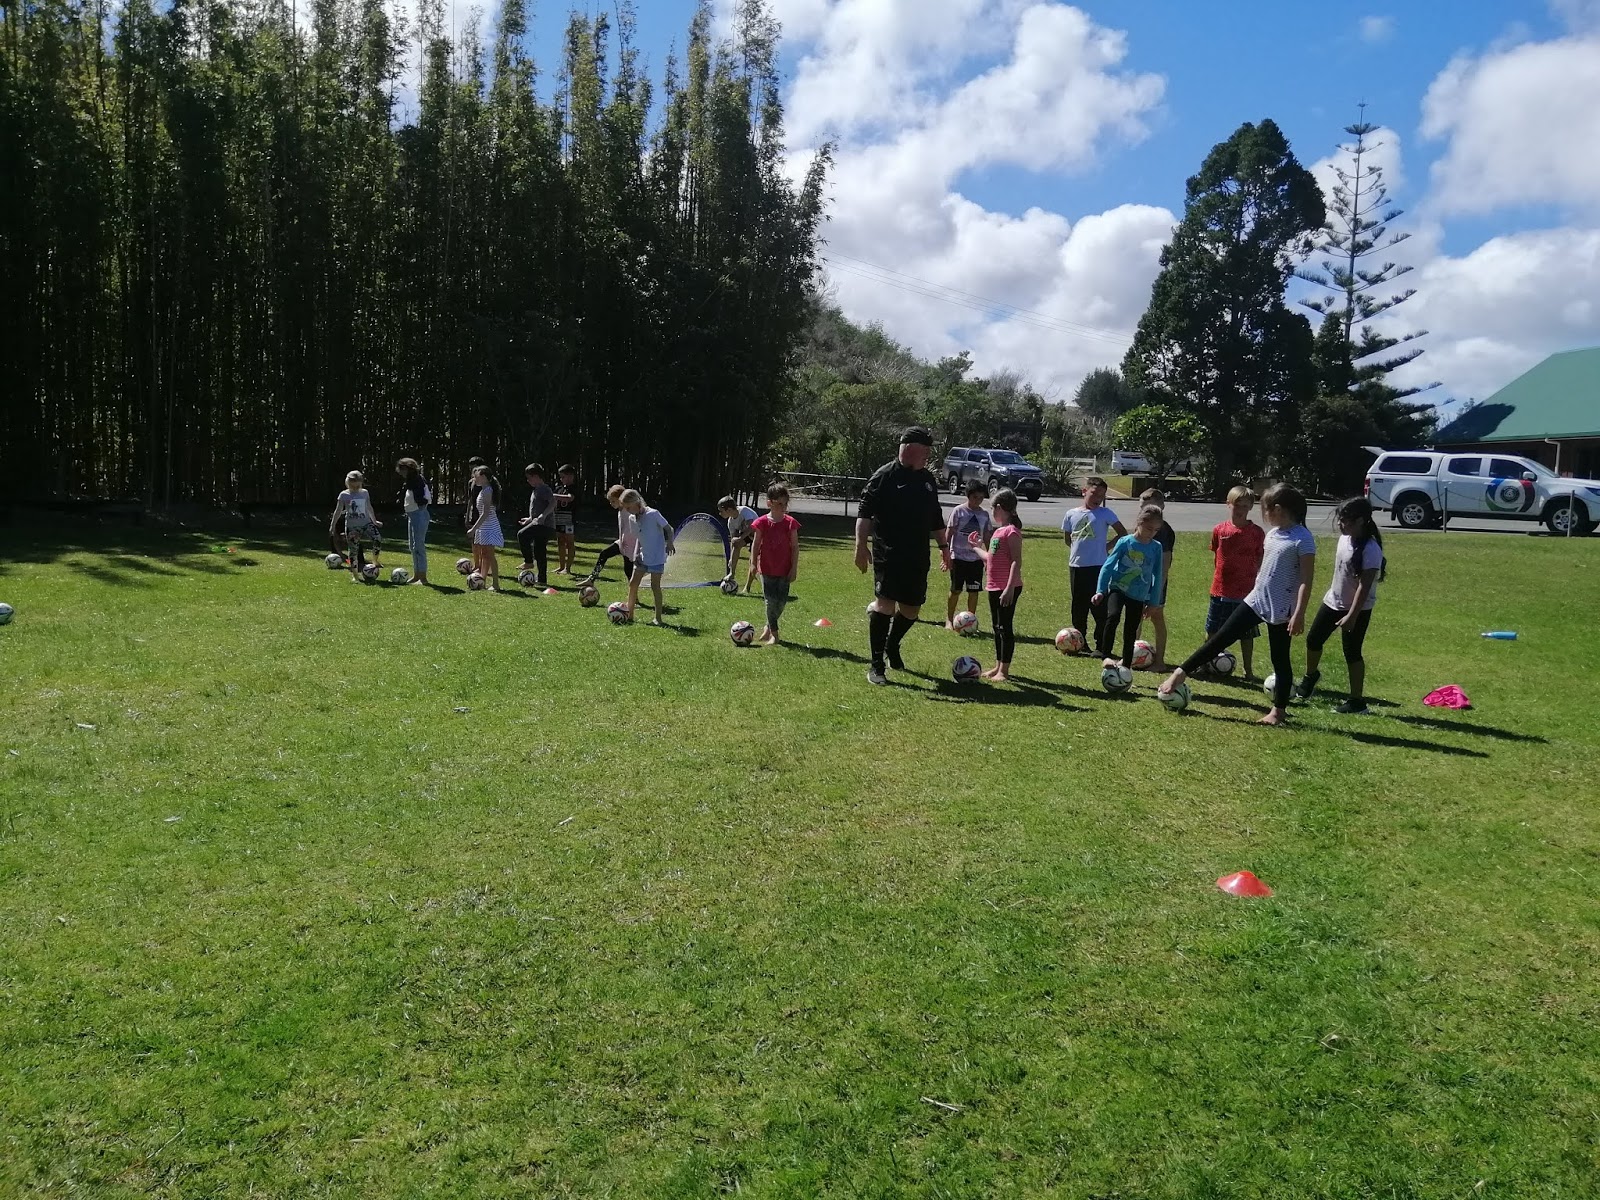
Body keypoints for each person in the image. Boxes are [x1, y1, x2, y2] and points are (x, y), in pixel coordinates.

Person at [1159, 483, 1316, 726]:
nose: (1263, 515)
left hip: (1282, 607)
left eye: (1265, 509)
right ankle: (1179, 674)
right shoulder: (1273, 534)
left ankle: (1278, 713)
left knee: (1280, 659)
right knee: (1220, 638)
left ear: (1277, 509)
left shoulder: (1302, 539)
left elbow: (1306, 579)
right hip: (1256, 599)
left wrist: (1299, 613)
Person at [855, 426, 951, 686]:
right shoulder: (884, 477)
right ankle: (876, 666)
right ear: (909, 449)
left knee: (911, 610)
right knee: (885, 605)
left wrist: (945, 549)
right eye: (926, 450)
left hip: (917, 555)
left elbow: (936, 519)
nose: (928, 456)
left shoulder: (927, 480)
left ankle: (892, 644)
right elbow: (864, 514)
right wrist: (860, 546)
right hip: (889, 554)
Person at [1295, 496, 1386, 714]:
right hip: (1332, 601)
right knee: (1313, 640)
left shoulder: (1371, 550)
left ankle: (1357, 702)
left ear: (1362, 521)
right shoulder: (1345, 539)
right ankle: (1311, 676)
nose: (1341, 525)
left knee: (1352, 652)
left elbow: (1364, 588)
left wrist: (1352, 615)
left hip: (1357, 608)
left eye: (1346, 521)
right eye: (1340, 520)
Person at [1092, 505, 1166, 671]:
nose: (1152, 533)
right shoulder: (1125, 542)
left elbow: (1157, 575)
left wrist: (1153, 602)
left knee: (1131, 629)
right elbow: (1108, 567)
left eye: (1156, 530)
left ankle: (1126, 664)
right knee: (1113, 617)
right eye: (1149, 528)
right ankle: (1106, 656)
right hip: (1118, 588)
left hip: (1139, 595)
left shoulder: (1156, 547)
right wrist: (1100, 590)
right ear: (1139, 523)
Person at [1206, 486, 1265, 678]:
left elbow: (1260, 559)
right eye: (1237, 505)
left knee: (1246, 634)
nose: (1241, 510)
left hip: (1246, 592)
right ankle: (1207, 663)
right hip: (1221, 589)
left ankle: (1248, 670)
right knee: (1213, 630)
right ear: (1228, 504)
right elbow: (1217, 554)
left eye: (1246, 506)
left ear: (1250, 508)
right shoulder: (1219, 530)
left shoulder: (1256, 532)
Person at [1060, 477, 1126, 650]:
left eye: (1101, 496)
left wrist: (1107, 547)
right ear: (1084, 491)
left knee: (1099, 607)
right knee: (1078, 606)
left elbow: (1122, 533)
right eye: (1094, 494)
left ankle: (1101, 644)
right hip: (1077, 567)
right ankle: (1079, 642)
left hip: (1098, 567)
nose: (1097, 498)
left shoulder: (1105, 514)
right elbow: (1068, 539)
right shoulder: (1071, 514)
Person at [966, 487, 1022, 681]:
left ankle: (1004, 671)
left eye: (992, 509)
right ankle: (998, 666)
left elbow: (1016, 561)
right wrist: (975, 548)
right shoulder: (999, 532)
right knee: (997, 627)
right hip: (993, 586)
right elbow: (990, 558)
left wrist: (1009, 588)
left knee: (1005, 627)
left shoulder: (1011, 532)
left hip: (1006, 587)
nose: (992, 512)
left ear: (999, 507)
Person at [749, 483, 800, 645]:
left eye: (785, 504)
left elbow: (795, 547)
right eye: (779, 504)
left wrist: (794, 568)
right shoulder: (761, 522)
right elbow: (756, 545)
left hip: (784, 569)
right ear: (769, 503)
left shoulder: (790, 523)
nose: (783, 507)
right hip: (766, 568)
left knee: (781, 602)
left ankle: (768, 626)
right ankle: (775, 635)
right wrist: (752, 564)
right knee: (770, 601)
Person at [1135, 487, 1176, 669]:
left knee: (1157, 617)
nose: (1146, 512)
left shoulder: (1163, 531)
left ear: (1162, 506)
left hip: (1155, 584)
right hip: (1138, 581)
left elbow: (1165, 563)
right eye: (1143, 508)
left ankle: (1159, 661)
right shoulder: (1142, 526)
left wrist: (1156, 588)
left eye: (1150, 508)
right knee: (1134, 618)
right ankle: (1132, 656)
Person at [945, 480, 993, 632]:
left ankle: (970, 620)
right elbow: (949, 532)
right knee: (955, 590)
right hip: (958, 557)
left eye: (981, 498)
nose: (978, 501)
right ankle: (949, 619)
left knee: (973, 591)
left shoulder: (984, 515)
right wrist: (944, 553)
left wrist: (988, 558)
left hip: (975, 559)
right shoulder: (959, 511)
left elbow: (987, 537)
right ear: (968, 496)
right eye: (975, 497)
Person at [621, 489, 675, 625]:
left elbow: (669, 529)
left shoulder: (653, 514)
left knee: (655, 586)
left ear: (635, 502)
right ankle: (630, 615)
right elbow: (639, 538)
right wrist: (637, 554)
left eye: (628, 507)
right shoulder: (632, 518)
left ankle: (658, 618)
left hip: (656, 557)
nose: (627, 510)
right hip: (642, 557)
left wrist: (669, 543)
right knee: (633, 584)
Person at [577, 485, 635, 586]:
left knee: (628, 571)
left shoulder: (629, 511)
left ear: (621, 498)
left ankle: (634, 596)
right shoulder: (620, 511)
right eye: (610, 501)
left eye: (613, 501)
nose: (611, 504)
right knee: (604, 554)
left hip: (630, 545)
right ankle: (591, 579)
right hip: (622, 543)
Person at [330, 470, 382, 583]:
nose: (355, 489)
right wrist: (332, 526)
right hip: (352, 527)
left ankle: (375, 561)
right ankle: (355, 576)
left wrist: (374, 521)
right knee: (353, 550)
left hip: (366, 523)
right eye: (352, 486)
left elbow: (369, 507)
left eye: (357, 486)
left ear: (361, 483)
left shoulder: (364, 493)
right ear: (347, 483)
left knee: (377, 538)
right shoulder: (344, 495)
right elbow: (338, 511)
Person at [465, 464, 504, 590]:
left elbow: (486, 512)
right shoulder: (484, 490)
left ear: (483, 477)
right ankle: (482, 580)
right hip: (484, 526)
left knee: (490, 555)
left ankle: (496, 584)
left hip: (489, 526)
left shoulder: (487, 491)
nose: (474, 478)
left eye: (476, 476)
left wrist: (473, 529)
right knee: (484, 555)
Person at [517, 462, 556, 585]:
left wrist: (543, 516)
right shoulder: (536, 490)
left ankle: (528, 561)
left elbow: (553, 502)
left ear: (536, 476)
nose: (528, 481)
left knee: (522, 535)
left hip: (545, 525)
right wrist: (529, 519)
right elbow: (537, 509)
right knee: (540, 551)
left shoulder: (544, 489)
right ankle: (542, 579)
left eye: (529, 478)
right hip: (538, 523)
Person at [396, 457, 432, 585]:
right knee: (413, 546)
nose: (400, 472)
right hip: (412, 515)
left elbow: (423, 498)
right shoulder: (411, 481)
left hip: (419, 514)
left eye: (402, 469)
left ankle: (423, 577)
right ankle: (416, 575)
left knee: (419, 546)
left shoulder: (417, 480)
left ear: (407, 468)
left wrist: (418, 505)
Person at [718, 495, 760, 593]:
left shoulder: (744, 511)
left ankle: (748, 586)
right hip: (748, 536)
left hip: (758, 535)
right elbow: (734, 540)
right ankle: (732, 573)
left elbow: (751, 527)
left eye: (721, 511)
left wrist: (741, 538)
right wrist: (732, 560)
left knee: (753, 562)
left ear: (728, 509)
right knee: (736, 544)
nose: (720, 513)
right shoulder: (730, 522)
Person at [553, 465, 578, 575]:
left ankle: (568, 568)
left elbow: (570, 498)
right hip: (558, 518)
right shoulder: (559, 488)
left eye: (564, 477)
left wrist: (554, 496)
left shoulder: (574, 488)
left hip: (569, 519)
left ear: (571, 476)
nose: (562, 479)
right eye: (561, 477)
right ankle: (561, 566)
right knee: (560, 542)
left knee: (570, 543)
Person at [463, 456, 487, 541]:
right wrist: (467, 516)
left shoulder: (487, 483)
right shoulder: (471, 483)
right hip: (474, 514)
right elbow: (470, 499)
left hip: (484, 514)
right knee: (473, 540)